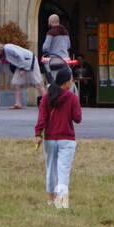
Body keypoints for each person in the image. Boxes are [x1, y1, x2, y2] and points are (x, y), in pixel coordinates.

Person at [35, 66, 82, 208]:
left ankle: (51, 198)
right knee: (63, 170)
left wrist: (38, 134)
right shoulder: (72, 97)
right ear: (66, 83)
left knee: (51, 168)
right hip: (66, 138)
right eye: (71, 79)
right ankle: (61, 202)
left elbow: (42, 118)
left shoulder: (46, 97)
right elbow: (78, 118)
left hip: (50, 138)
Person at [0, 40, 44, 109]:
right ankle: (18, 104)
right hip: (20, 65)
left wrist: (22, 68)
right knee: (15, 83)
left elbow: (20, 55)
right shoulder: (0, 56)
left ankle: (46, 102)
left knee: (38, 83)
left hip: (29, 61)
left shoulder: (7, 48)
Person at [42, 13, 72, 80]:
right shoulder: (66, 32)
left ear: (51, 22)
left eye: (48, 21)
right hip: (66, 61)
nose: (48, 23)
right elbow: (68, 46)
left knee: (55, 81)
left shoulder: (51, 32)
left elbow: (45, 48)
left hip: (55, 61)